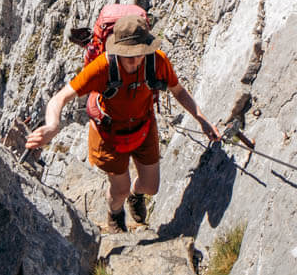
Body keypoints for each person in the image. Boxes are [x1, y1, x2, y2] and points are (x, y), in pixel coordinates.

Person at [25, 14, 221, 232]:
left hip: (143, 128)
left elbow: (178, 91)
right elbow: (59, 98)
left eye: (139, 53)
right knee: (120, 191)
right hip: (108, 135)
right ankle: (115, 215)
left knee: (151, 187)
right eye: (128, 55)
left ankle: (136, 196)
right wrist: (53, 125)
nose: (135, 60)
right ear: (116, 49)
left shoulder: (156, 61)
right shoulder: (102, 68)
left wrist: (201, 119)